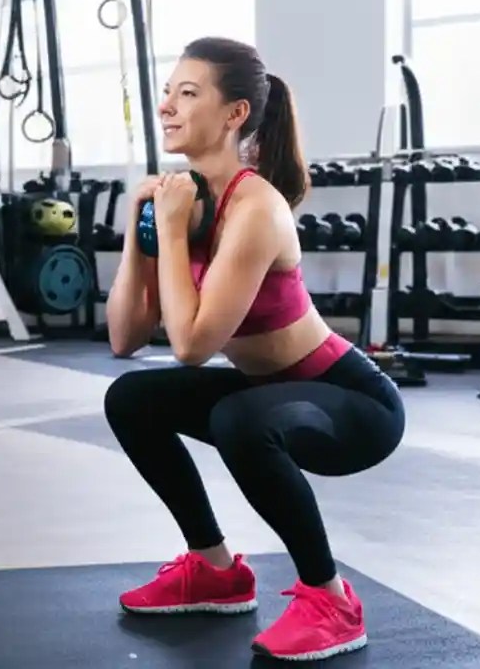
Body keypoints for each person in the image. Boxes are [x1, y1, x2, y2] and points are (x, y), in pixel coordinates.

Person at [102, 36, 405, 662]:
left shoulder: (257, 208)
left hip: (354, 404)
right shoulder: (183, 199)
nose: (168, 106)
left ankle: (333, 601)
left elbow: (189, 345)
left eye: (188, 93)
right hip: (271, 394)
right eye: (168, 92)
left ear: (235, 113)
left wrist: (176, 229)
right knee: (131, 398)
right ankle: (215, 570)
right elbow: (125, 338)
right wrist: (141, 227)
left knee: (237, 418)